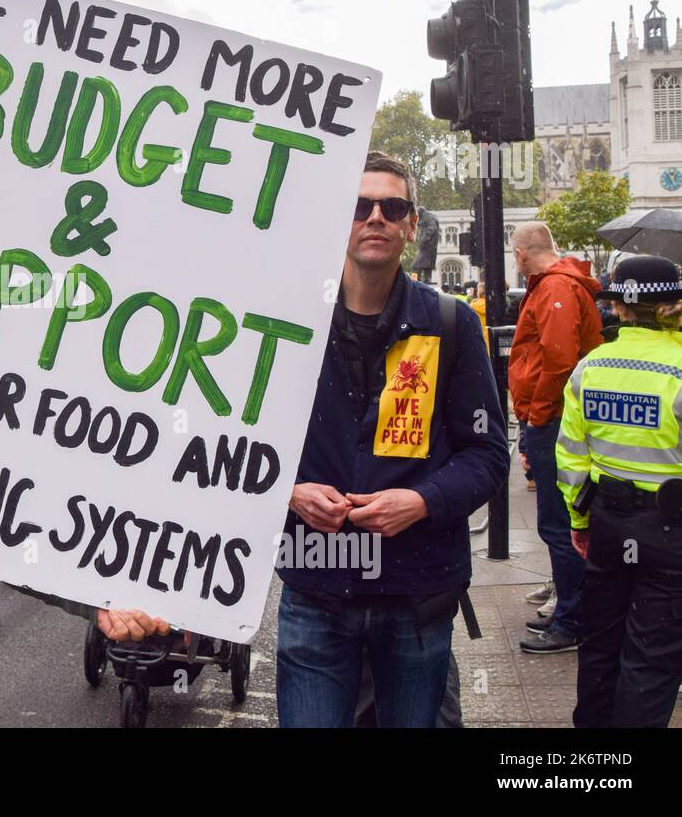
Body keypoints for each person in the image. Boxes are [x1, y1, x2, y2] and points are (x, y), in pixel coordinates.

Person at [271, 150, 508, 727]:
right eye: (358, 205)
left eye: (391, 206)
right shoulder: (287, 322)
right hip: (315, 590)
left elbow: (487, 454)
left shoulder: (451, 323)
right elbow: (238, 443)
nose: (374, 217)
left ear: (411, 225)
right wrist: (290, 491)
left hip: (416, 594)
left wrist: (423, 501)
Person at [556, 255, 682, 727]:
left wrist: (579, 520)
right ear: (671, 304)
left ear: (622, 308)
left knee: (600, 645)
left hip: (608, 524)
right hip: (670, 533)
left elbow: (570, 456)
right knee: (651, 660)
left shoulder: (591, 366)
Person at [508, 221, 603, 654]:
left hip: (556, 420)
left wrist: (537, 416)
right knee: (562, 522)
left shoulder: (554, 288)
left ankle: (573, 620)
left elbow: (559, 358)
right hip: (561, 418)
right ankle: (572, 611)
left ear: (522, 254)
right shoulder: (561, 284)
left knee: (559, 524)